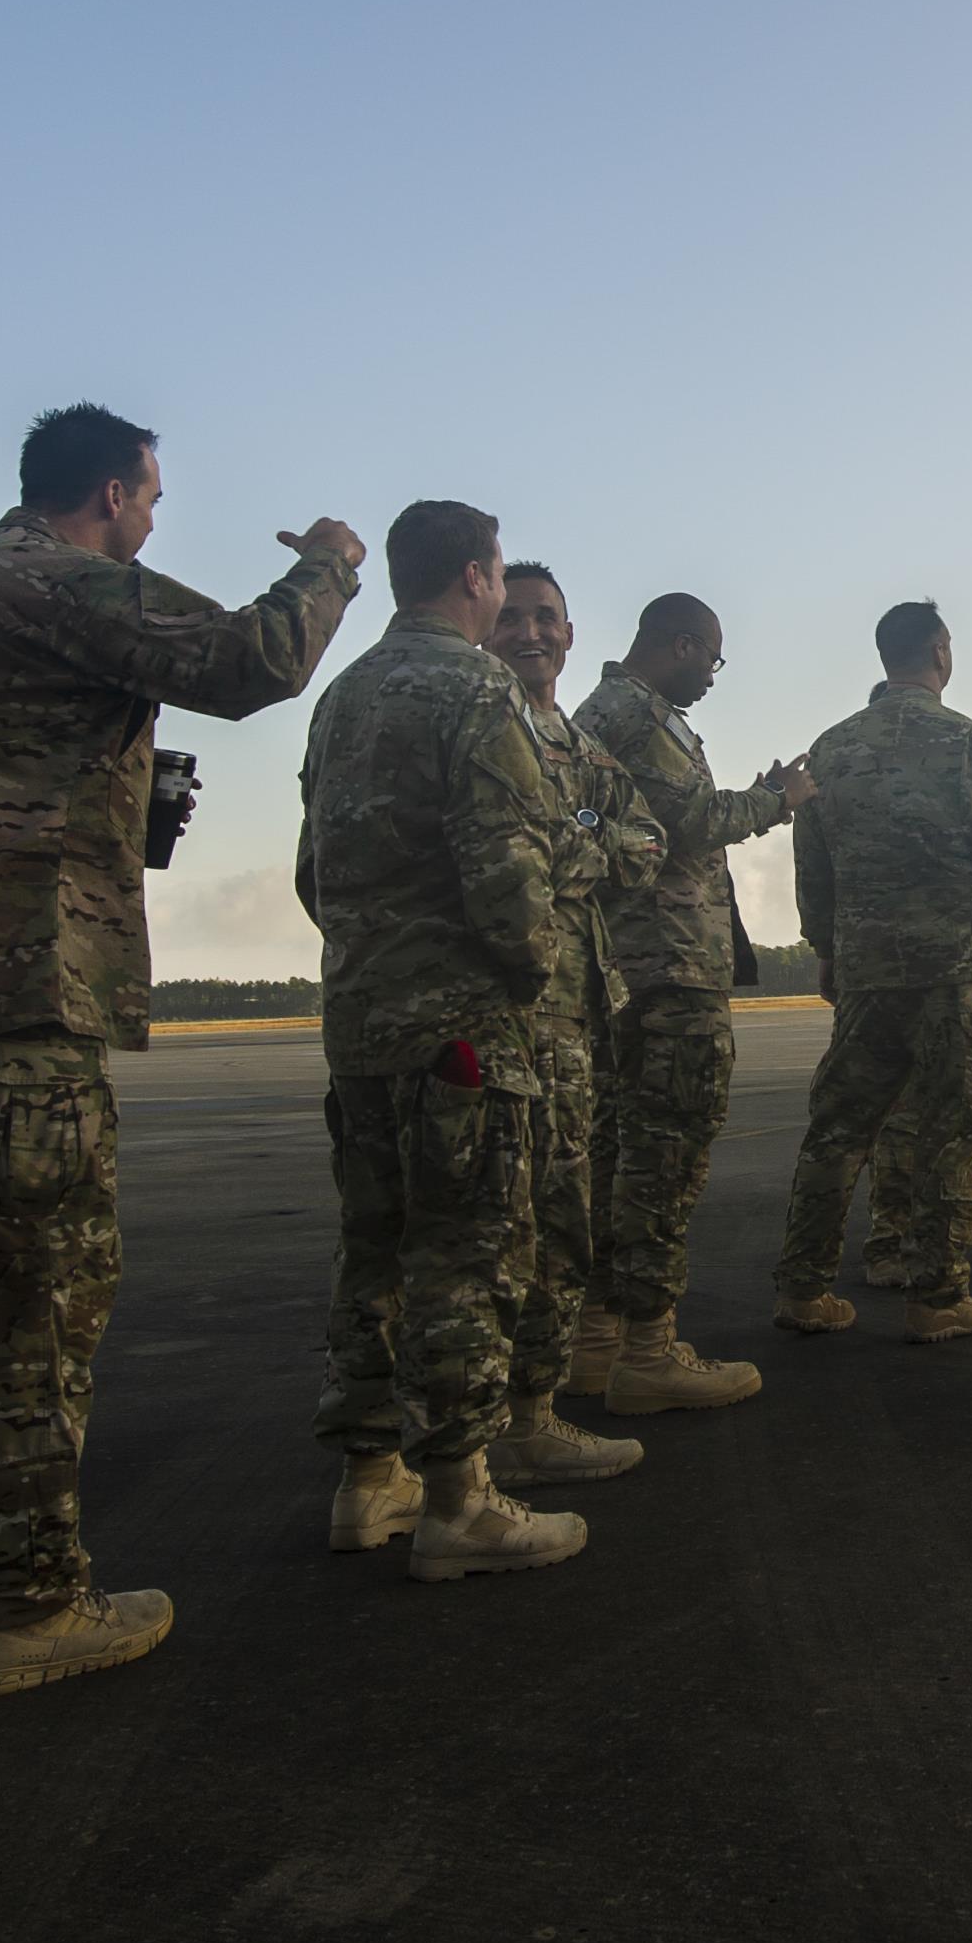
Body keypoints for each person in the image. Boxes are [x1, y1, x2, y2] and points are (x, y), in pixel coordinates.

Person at [0, 404, 363, 1700]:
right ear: (113, 494)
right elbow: (250, 659)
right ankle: (28, 1598)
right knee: (45, 1292)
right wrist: (330, 560)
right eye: (153, 504)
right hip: (14, 995)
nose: (154, 525)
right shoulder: (50, 576)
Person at [297, 501, 606, 1582]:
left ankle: (365, 1479)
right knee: (467, 1254)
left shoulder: (344, 695)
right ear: (477, 577)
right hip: (461, 1034)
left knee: (371, 1251)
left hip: (361, 1022)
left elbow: (310, 872)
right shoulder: (475, 692)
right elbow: (509, 875)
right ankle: (459, 1502)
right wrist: (528, 969)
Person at [773, 602, 972, 1342]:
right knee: (953, 1127)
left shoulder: (829, 752)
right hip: (953, 972)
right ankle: (937, 1293)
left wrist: (828, 949)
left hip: (869, 973)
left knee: (838, 1129)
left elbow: (814, 869)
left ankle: (805, 1288)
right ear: (939, 652)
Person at [568, 591, 811, 1412]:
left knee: (619, 1153)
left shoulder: (610, 711)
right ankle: (648, 1348)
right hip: (667, 966)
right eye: (711, 658)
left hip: (630, 968)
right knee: (665, 1155)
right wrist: (781, 800)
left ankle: (598, 1339)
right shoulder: (637, 715)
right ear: (681, 644)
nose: (712, 674)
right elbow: (694, 821)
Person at [481, 564, 666, 1487]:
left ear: (569, 630)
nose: (531, 632)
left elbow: (646, 837)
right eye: (512, 616)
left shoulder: (582, 746)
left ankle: (531, 1411)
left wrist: (577, 846)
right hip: (486, 1016)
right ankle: (466, 1431)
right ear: (482, 621)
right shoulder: (473, 722)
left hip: (571, 1020)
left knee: (559, 1218)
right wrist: (581, 847)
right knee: (480, 1227)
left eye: (546, 617)